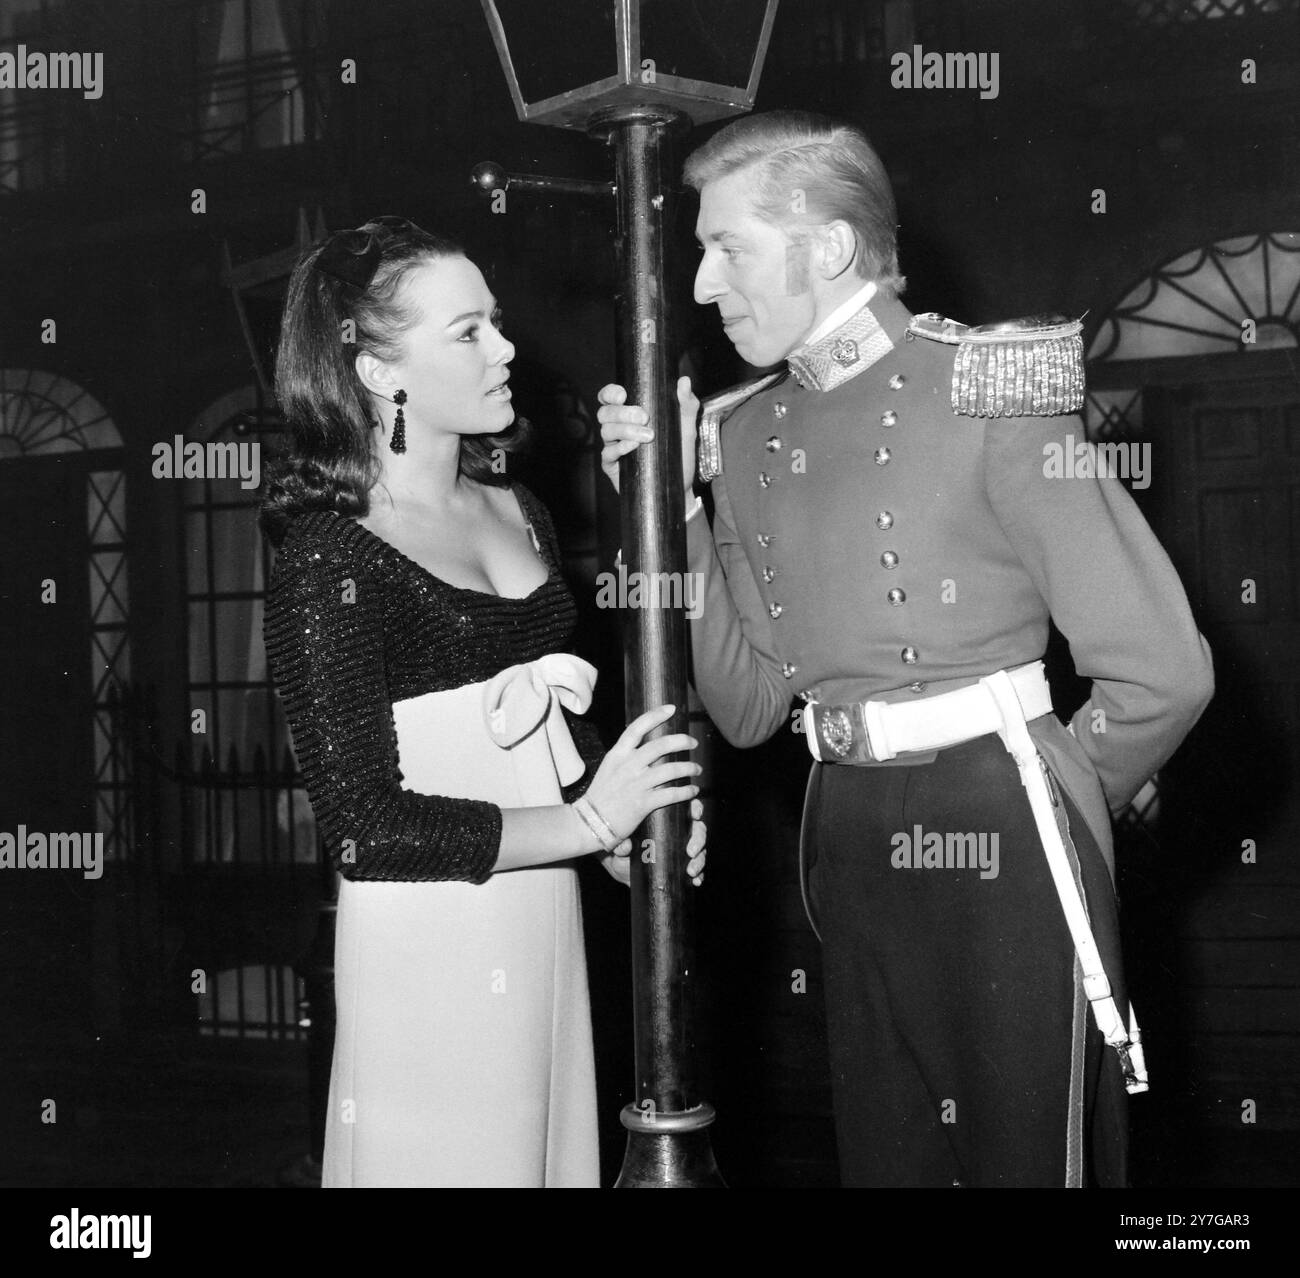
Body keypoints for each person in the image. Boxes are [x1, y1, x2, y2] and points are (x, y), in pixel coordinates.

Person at [598, 111, 1214, 1187]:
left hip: (1002, 816)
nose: (699, 285)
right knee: (891, 1164)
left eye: (726, 247)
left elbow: (1162, 670)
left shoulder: (987, 389)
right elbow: (744, 708)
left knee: (1029, 1163)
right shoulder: (743, 433)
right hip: (844, 826)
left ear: (826, 247)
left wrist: (1057, 807)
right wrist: (668, 510)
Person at [260, 217, 706, 1189]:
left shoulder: (521, 508)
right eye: (468, 331)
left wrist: (619, 836)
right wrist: (589, 818)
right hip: (428, 934)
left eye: (495, 322)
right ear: (381, 373)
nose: (506, 348)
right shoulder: (328, 555)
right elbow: (364, 830)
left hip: (541, 909)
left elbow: (543, 723)